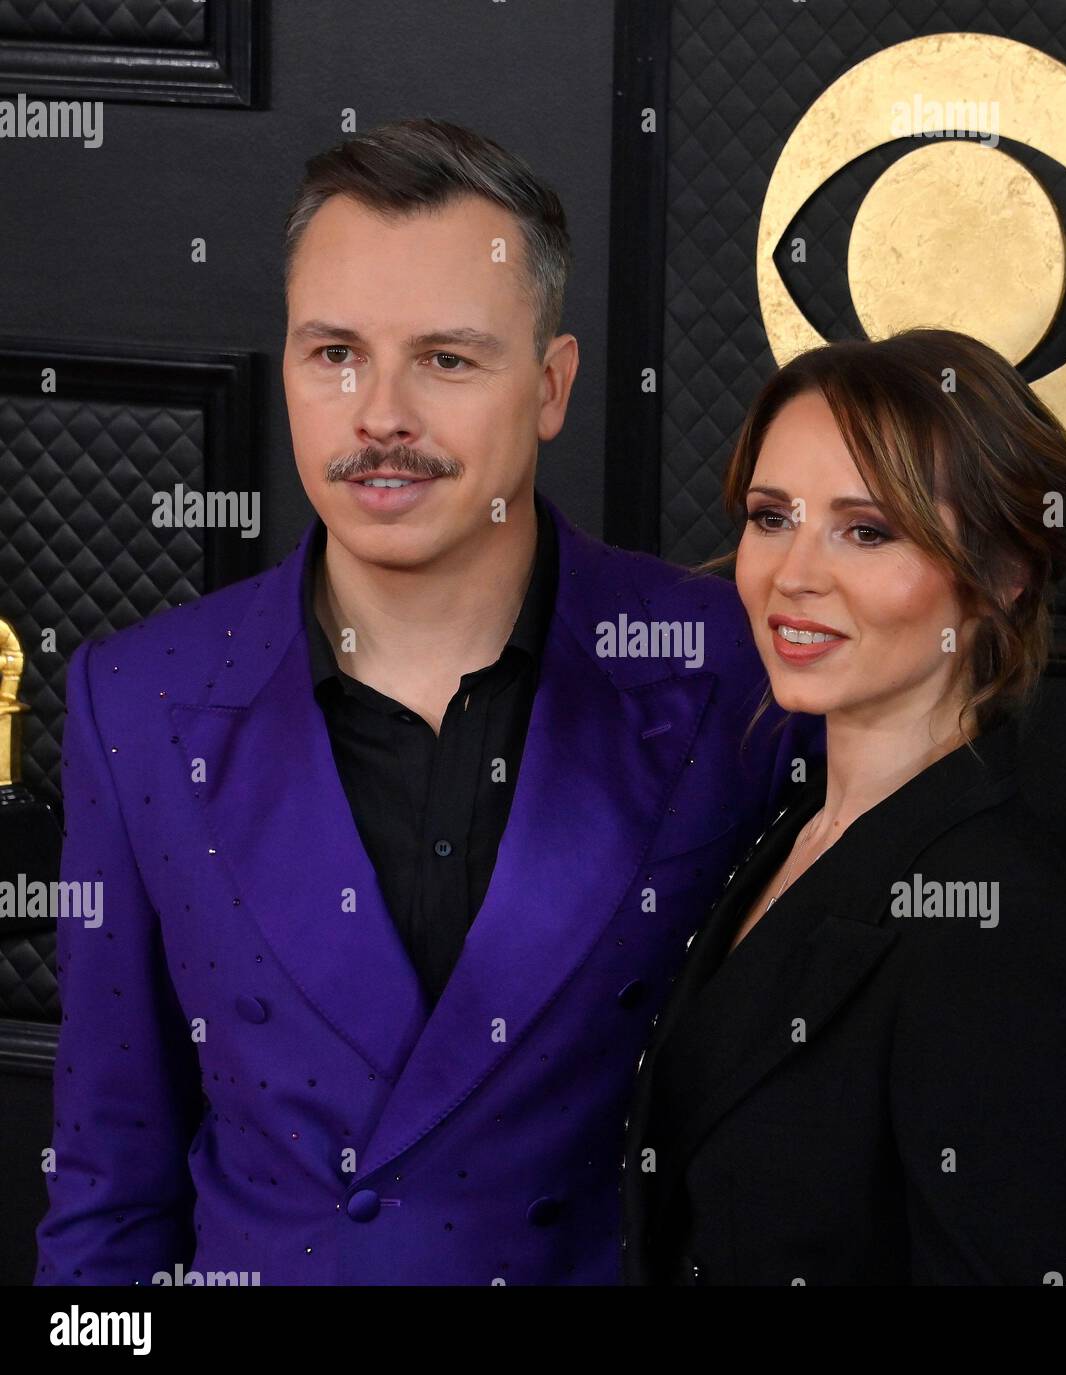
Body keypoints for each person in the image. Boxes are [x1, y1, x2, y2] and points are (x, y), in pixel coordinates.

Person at [33, 117, 816, 1286]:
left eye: (446, 359)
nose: (379, 415)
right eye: (334, 353)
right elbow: (107, 1180)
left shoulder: (736, 668)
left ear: (551, 387)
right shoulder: (135, 700)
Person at [621, 331, 1066, 1285]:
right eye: (773, 517)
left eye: (868, 529)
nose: (793, 574)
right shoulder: (795, 828)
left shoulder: (995, 920)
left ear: (1003, 575)